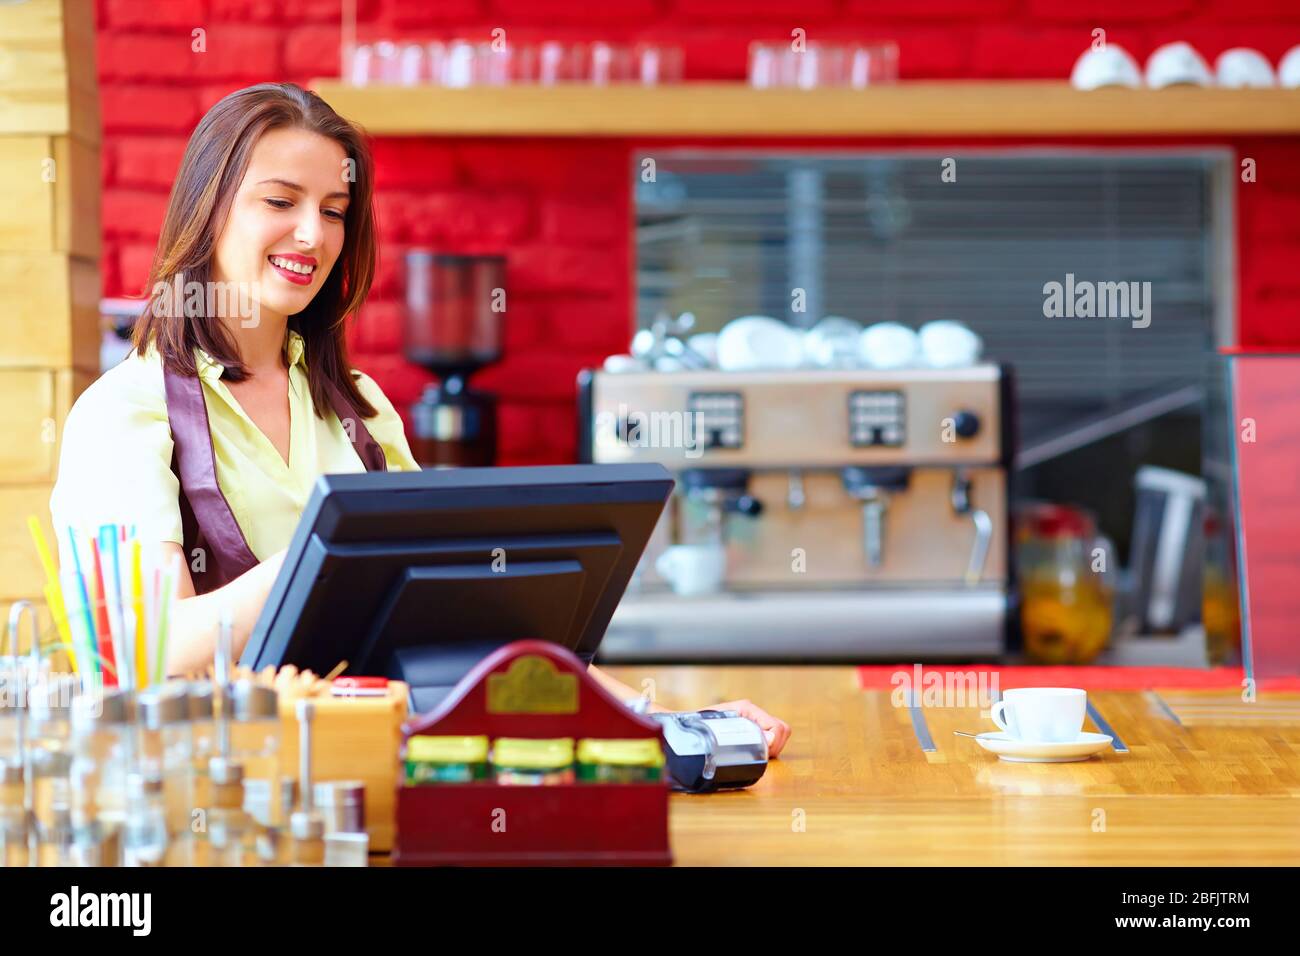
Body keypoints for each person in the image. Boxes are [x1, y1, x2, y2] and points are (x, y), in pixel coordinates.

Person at [50, 83, 790, 757]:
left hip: (373, 778)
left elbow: (465, 621)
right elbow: (146, 654)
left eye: (334, 211)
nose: (312, 234)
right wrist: (321, 556)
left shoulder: (361, 404)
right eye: (280, 202)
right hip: (224, 798)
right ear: (207, 209)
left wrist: (659, 721)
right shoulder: (125, 414)